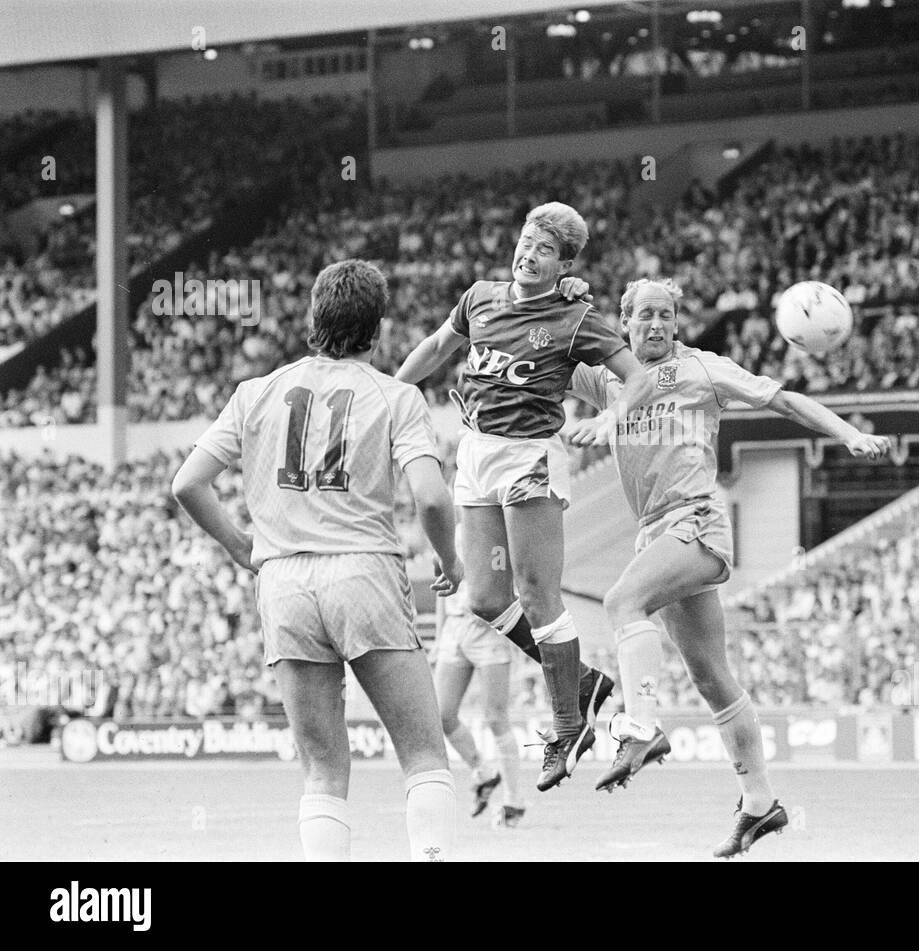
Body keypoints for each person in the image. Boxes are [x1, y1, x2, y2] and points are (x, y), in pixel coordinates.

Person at [566, 278, 891, 857]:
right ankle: (761, 804)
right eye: (645, 315)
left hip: (696, 522)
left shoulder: (702, 369)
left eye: (667, 315)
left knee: (622, 602)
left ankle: (641, 726)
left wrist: (849, 433)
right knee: (712, 679)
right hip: (655, 534)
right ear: (625, 321)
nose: (657, 325)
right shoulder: (609, 378)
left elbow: (784, 400)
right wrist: (565, 298)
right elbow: (552, 348)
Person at [173, 259, 464, 862]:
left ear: (314, 317)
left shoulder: (255, 392)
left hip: (283, 580)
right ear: (377, 328)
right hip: (363, 571)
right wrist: (450, 560)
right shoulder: (396, 396)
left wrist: (239, 546)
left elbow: (187, 483)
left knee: (323, 770)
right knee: (422, 753)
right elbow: (433, 498)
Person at [396, 202, 654, 791]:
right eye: (527, 242)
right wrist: (387, 390)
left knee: (538, 594)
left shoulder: (575, 317)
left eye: (545, 250)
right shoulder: (480, 298)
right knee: (485, 597)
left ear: (564, 265)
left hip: (529, 457)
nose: (529, 255)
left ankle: (569, 726)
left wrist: (610, 418)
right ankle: (583, 682)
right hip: (474, 453)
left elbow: (637, 378)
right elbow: (435, 348)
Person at [436, 581, 527, 829]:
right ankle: (484, 773)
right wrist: (440, 634)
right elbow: (441, 586)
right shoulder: (445, 550)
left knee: (495, 717)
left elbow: (516, 578)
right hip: (453, 627)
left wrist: (497, 611)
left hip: (488, 629)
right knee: (442, 714)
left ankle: (513, 802)